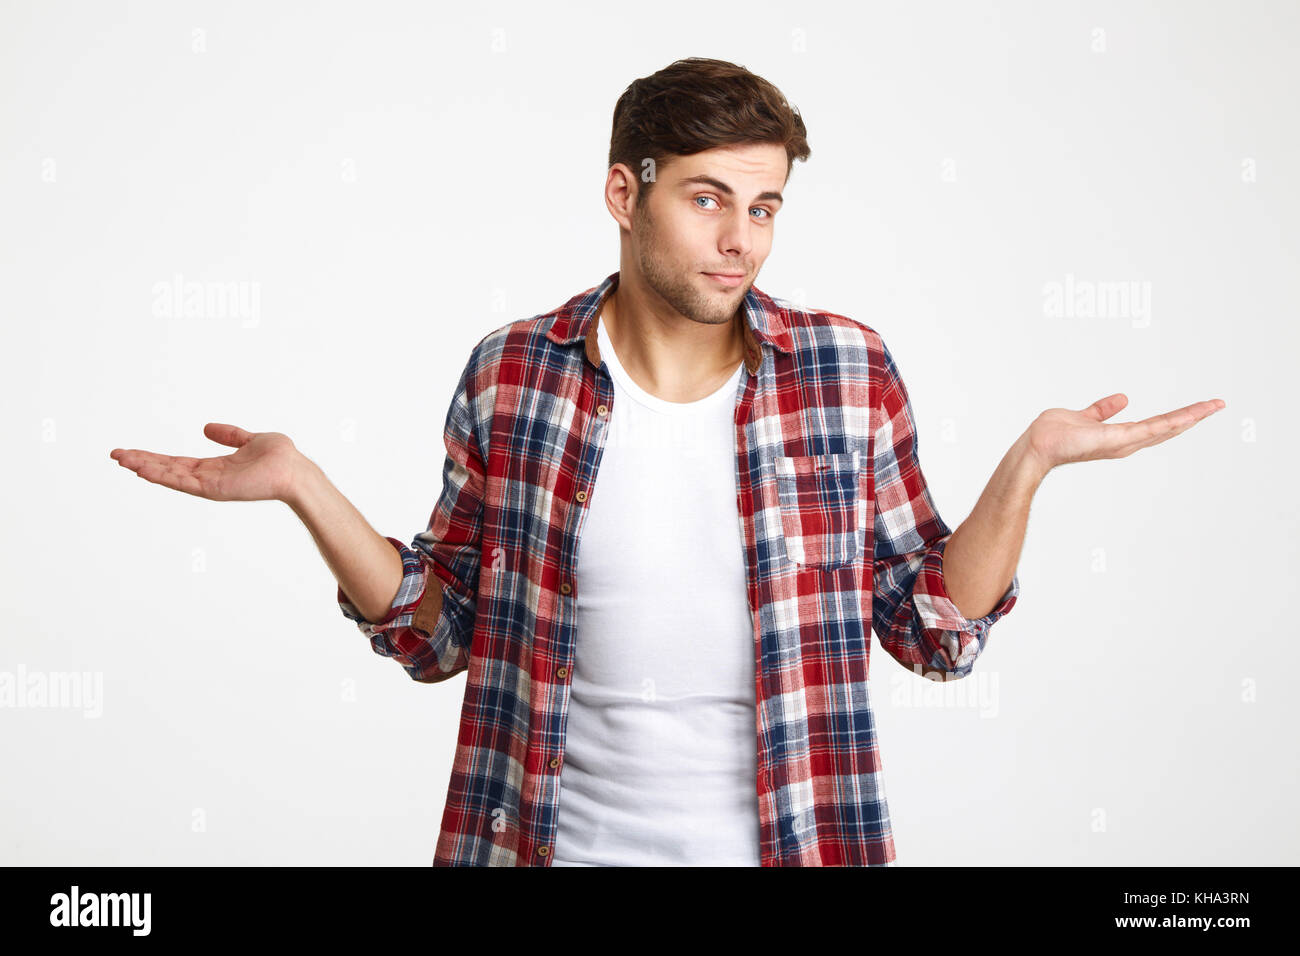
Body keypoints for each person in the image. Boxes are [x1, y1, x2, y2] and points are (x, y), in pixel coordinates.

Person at [109, 56, 1225, 866]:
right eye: (706, 199)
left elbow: (930, 630)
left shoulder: (845, 372)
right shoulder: (514, 374)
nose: (741, 239)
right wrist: (304, 487)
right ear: (623, 194)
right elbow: (439, 632)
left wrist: (1028, 466)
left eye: (764, 207)